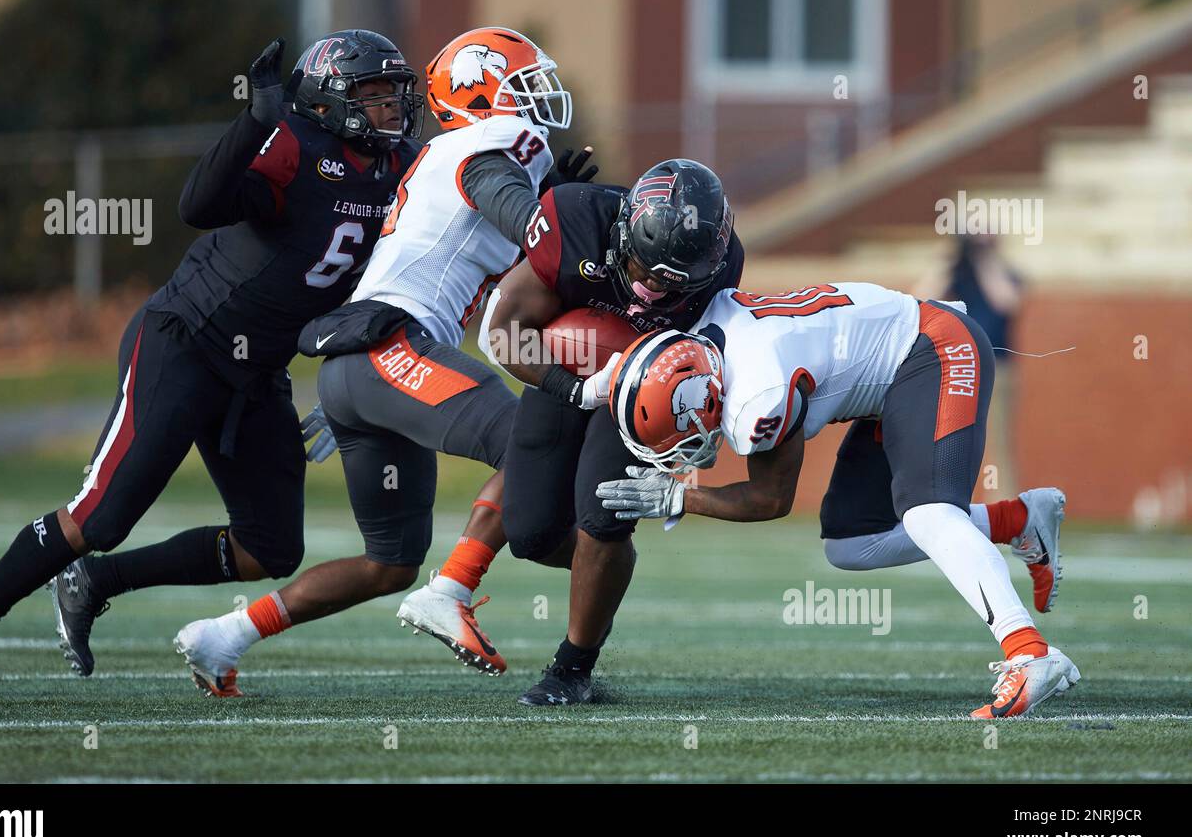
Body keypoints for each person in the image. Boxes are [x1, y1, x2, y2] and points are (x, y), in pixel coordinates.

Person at [0, 31, 423, 697]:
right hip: (186, 341)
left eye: (394, 93)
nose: (391, 107)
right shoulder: (295, 147)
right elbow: (198, 205)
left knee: (269, 548)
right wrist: (253, 123)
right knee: (100, 515)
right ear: (333, 102)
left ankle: (96, 582)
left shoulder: (402, 169)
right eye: (374, 94)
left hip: (257, 373)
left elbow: (448, 231)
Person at [171, 26, 598, 695]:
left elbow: (481, 254)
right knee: (532, 442)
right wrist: (564, 223)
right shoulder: (490, 147)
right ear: (480, 96)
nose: (539, 100)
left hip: (362, 367)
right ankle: (453, 587)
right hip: (389, 350)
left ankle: (225, 636)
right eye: (524, 86)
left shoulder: (444, 153)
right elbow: (524, 227)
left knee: (389, 564)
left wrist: (547, 203)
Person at [596, 283, 1076, 718]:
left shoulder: (755, 398)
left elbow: (772, 498)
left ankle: (1029, 652)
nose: (677, 449)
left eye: (678, 432)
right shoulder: (696, 340)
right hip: (895, 377)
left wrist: (682, 498)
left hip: (936, 346)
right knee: (852, 543)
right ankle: (1017, 519)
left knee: (929, 513)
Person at [399, 159, 743, 705]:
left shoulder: (721, 263)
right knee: (532, 533)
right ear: (625, 232)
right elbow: (504, 332)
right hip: (563, 367)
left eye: (672, 283)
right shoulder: (576, 219)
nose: (653, 291)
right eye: (647, 271)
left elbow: (696, 354)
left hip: (639, 387)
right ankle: (606, 563)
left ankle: (573, 667)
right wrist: (577, 388)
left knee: (602, 515)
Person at [914, 230, 1024, 496]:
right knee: (950, 439)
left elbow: (1006, 302)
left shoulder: (1006, 272)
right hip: (960, 366)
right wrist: (947, 261)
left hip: (997, 367)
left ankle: (1002, 505)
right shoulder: (955, 273)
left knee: (997, 443)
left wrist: (985, 260)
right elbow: (921, 299)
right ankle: (947, 503)